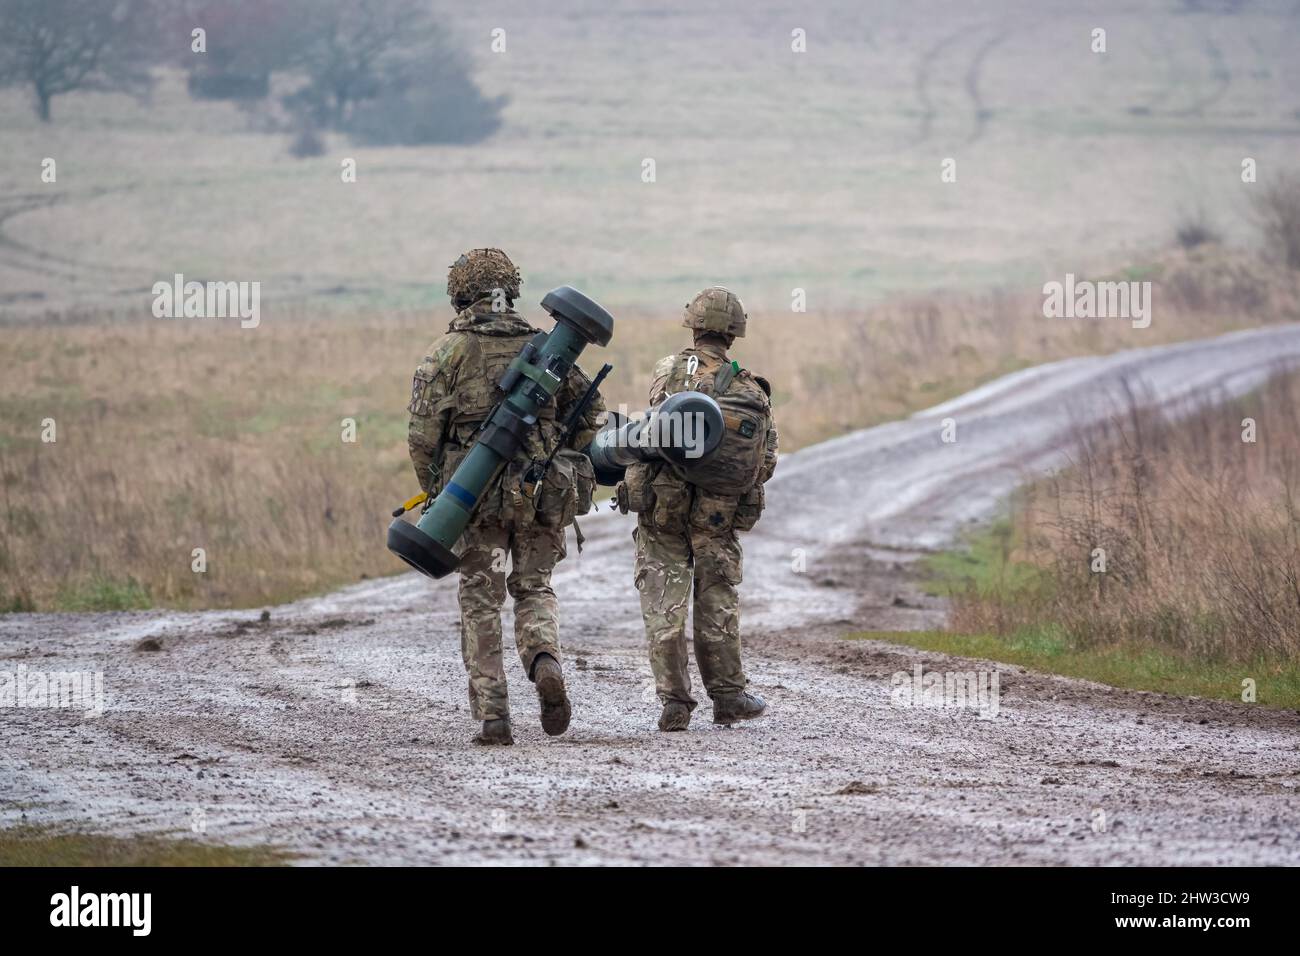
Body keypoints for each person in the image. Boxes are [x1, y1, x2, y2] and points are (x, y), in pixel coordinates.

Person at [407, 248, 604, 745]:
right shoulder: (548, 347)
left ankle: (495, 715)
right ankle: (543, 664)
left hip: (475, 501)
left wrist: (440, 491)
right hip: (541, 495)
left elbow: (422, 435)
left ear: (460, 294)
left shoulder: (445, 354)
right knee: (533, 589)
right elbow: (588, 414)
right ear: (511, 291)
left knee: (481, 599)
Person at [617, 286, 778, 731]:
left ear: (693, 324)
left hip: (663, 506)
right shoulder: (752, 388)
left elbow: (653, 428)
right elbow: (765, 461)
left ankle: (674, 701)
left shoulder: (669, 370)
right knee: (717, 598)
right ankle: (728, 696)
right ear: (735, 334)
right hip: (717, 513)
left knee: (664, 602)